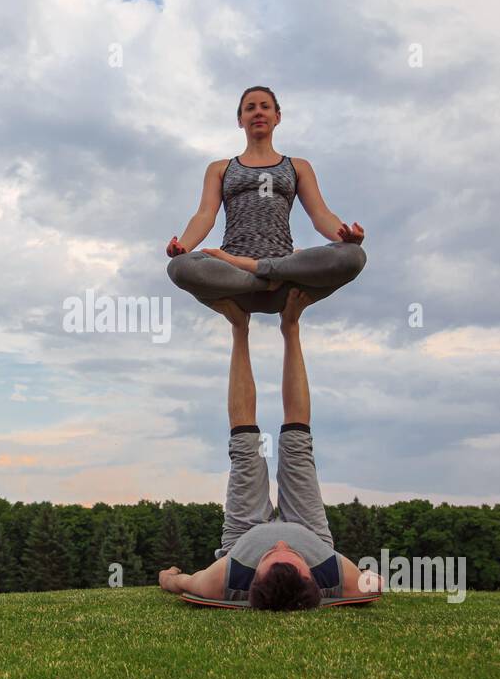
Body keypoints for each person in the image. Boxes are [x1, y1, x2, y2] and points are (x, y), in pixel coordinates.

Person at [157, 288, 383, 610]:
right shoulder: (334, 575)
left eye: (271, 555)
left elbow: (180, 584)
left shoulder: (223, 580)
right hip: (311, 533)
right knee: (297, 443)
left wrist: (168, 574)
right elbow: (376, 585)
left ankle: (239, 328)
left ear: (253, 580)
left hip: (243, 538)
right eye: (289, 554)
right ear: (312, 575)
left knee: (245, 446)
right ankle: (290, 327)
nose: (279, 541)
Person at [165, 85, 368, 316]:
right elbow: (204, 215)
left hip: (285, 281)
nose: (258, 112)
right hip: (233, 278)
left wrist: (345, 236)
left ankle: (264, 270)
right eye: (250, 108)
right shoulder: (220, 168)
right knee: (178, 267)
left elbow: (321, 214)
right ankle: (259, 278)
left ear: (277, 117)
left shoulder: (298, 166)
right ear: (240, 120)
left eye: (265, 107)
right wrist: (183, 246)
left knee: (354, 256)